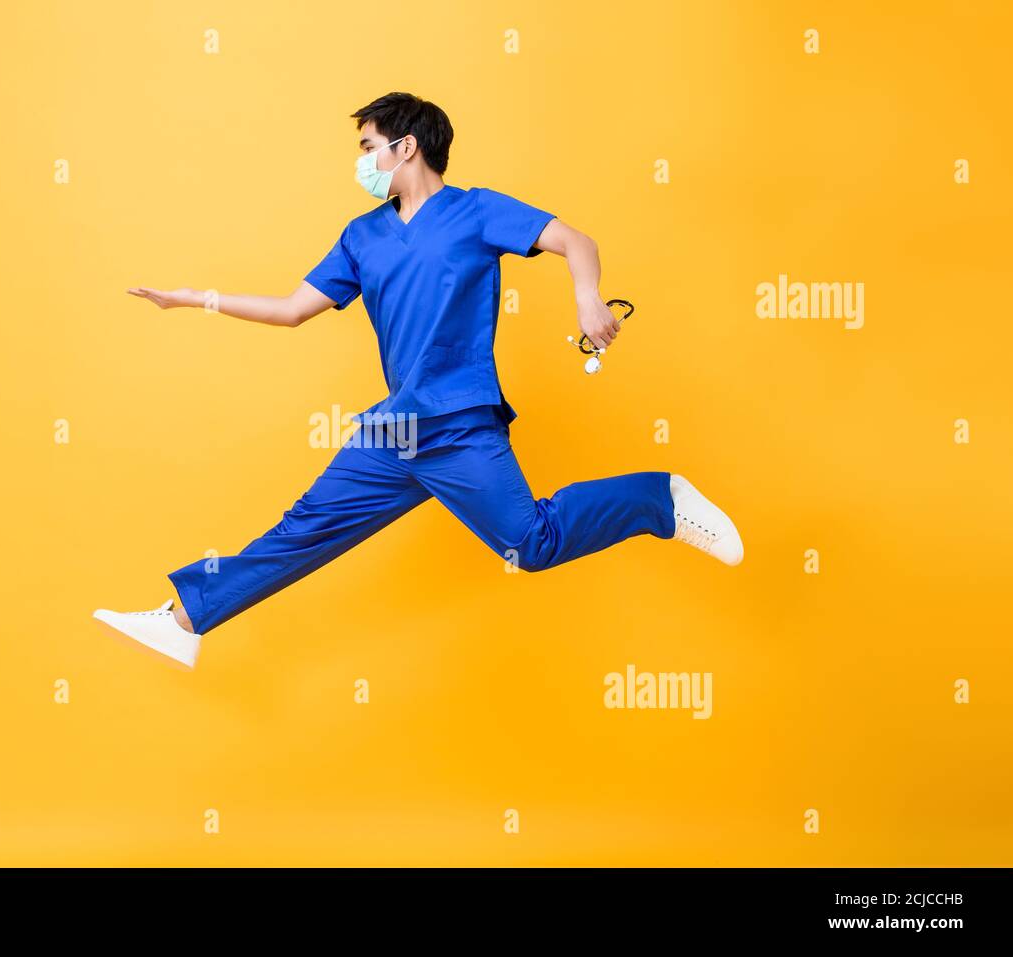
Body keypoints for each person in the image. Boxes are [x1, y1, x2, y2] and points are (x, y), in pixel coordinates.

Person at [94, 92, 743, 669]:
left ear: (406, 146)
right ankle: (183, 622)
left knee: (533, 545)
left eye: (369, 147)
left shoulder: (477, 211)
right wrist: (196, 298)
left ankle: (659, 498)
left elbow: (577, 241)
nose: (363, 160)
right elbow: (292, 310)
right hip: (397, 426)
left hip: (460, 419)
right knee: (305, 527)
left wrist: (588, 299)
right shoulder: (362, 235)